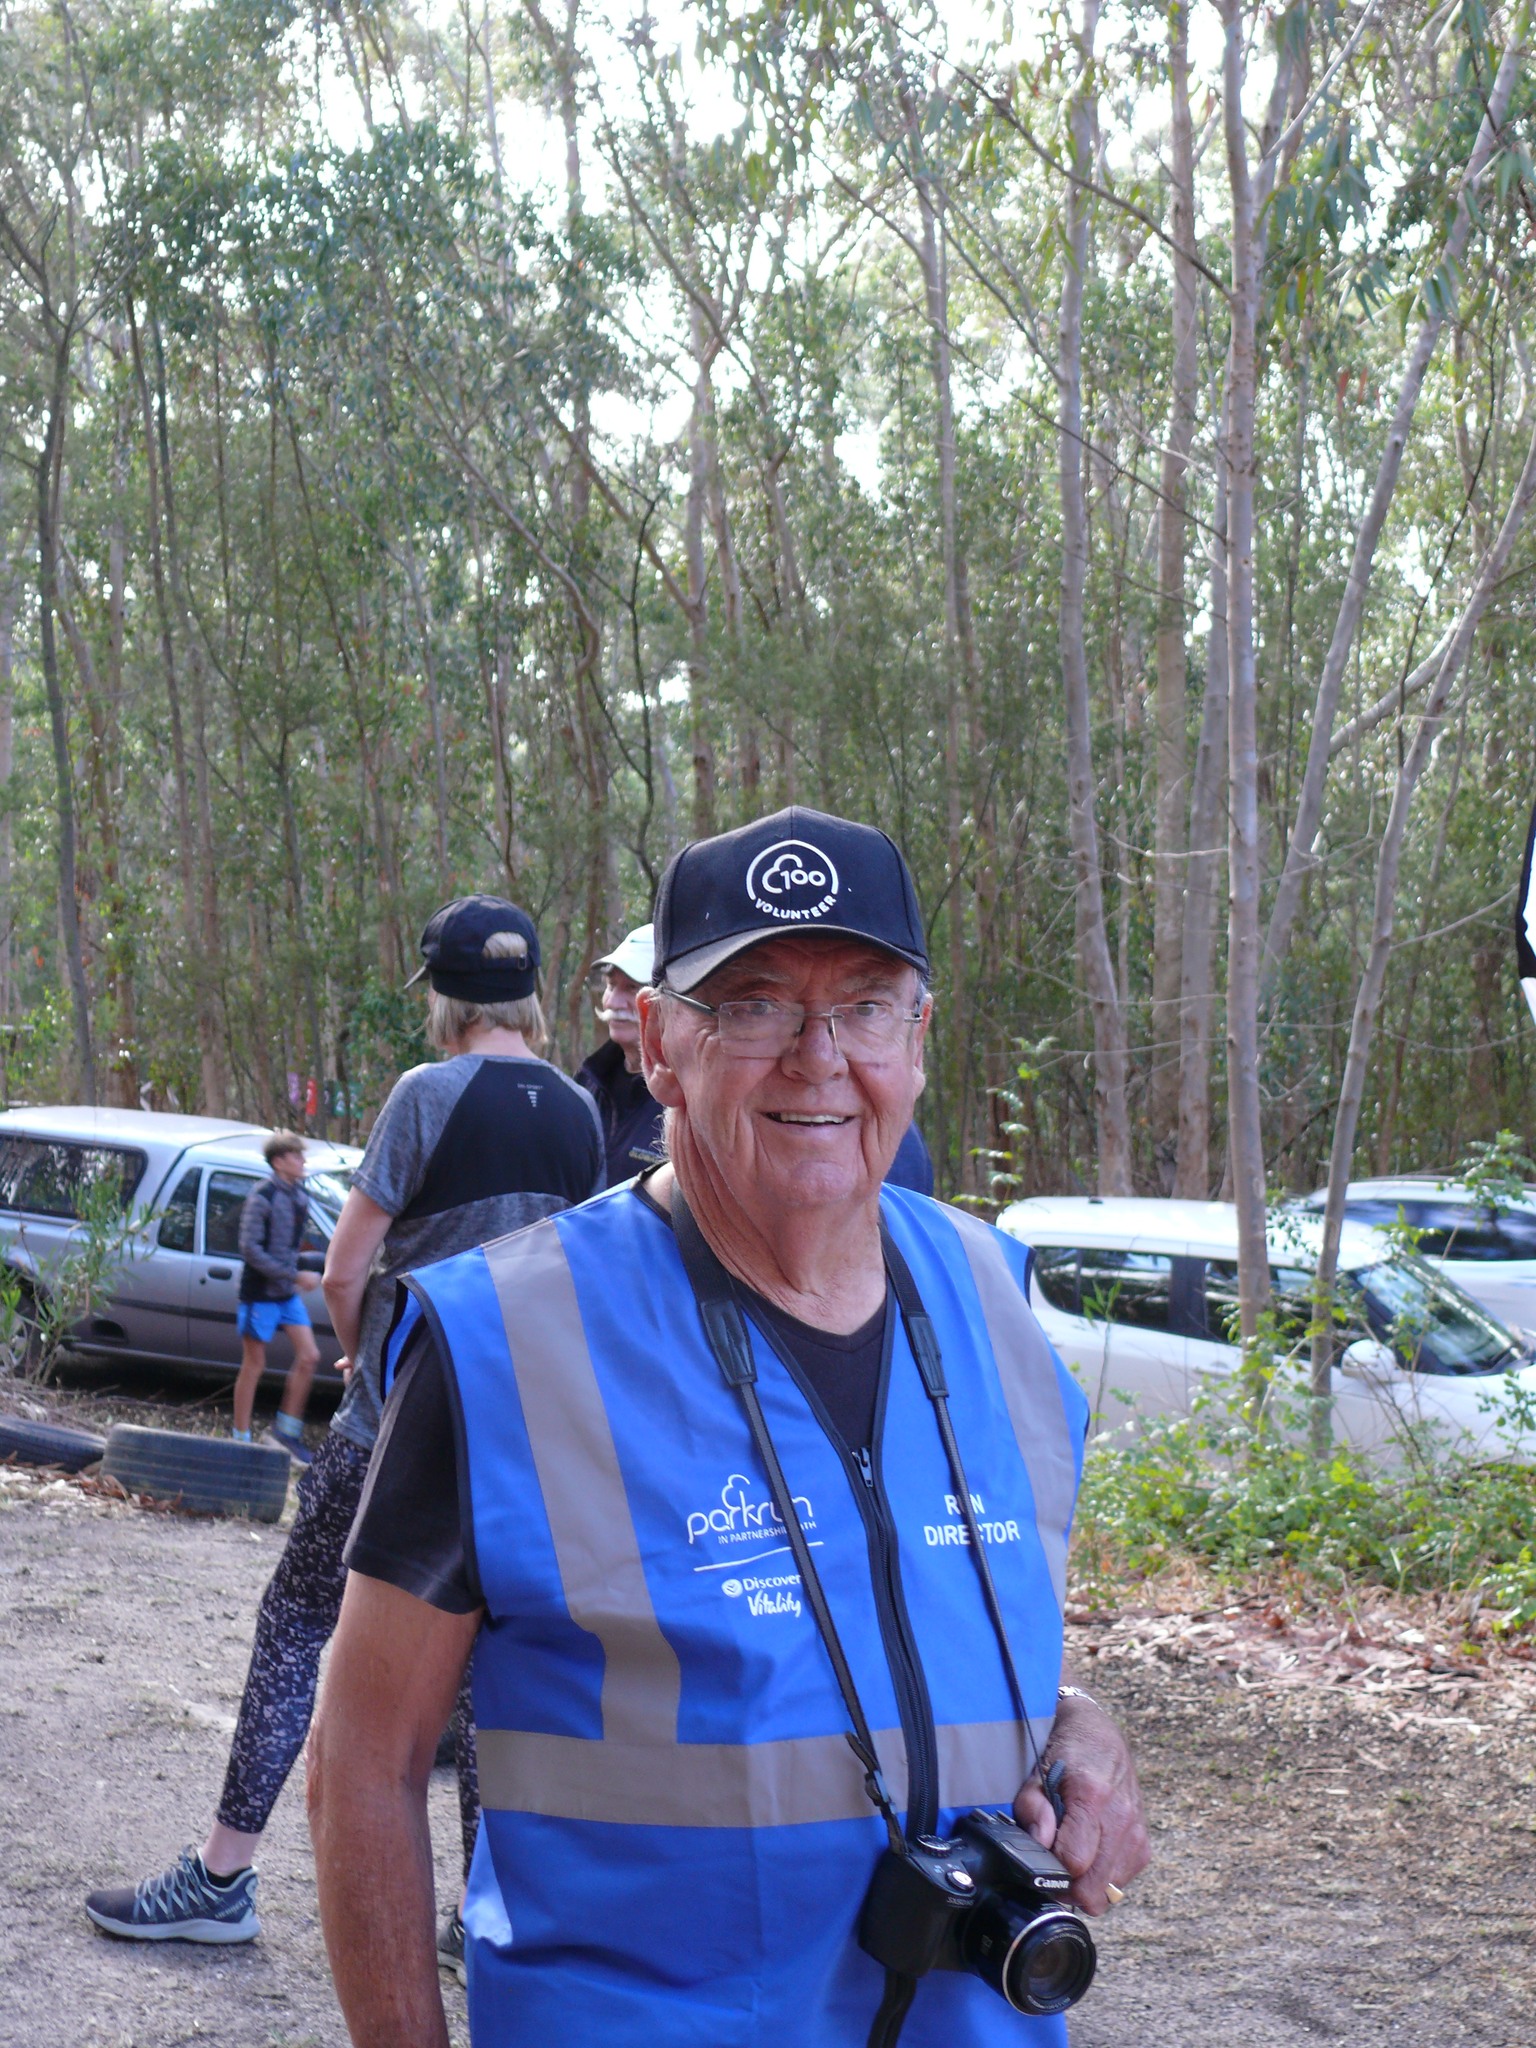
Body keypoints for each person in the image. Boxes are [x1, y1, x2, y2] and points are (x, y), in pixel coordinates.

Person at [308, 808, 1150, 2048]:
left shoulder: (994, 1300)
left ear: (920, 1037)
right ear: (656, 1041)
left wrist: (1079, 1720)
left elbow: (926, 1627)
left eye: (866, 1004)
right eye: (752, 1003)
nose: (818, 1056)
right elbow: (362, 1761)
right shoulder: (505, 1338)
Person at [83, 894, 603, 1959]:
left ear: (447, 998)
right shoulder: (581, 1110)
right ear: (532, 991)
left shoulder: (428, 1092)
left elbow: (346, 1262)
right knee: (490, 1670)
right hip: (524, 1450)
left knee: (294, 1625)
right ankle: (483, 1914)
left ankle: (223, 1876)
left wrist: (368, 1356)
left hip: (398, 1434)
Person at [231, 1130, 323, 1461]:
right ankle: (239, 1440)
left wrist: (301, 1272)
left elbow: (291, 1247)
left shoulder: (300, 1196)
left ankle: (286, 1432)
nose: (302, 1161)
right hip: (260, 1294)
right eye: (296, 1156)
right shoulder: (263, 1196)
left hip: (287, 1294)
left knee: (310, 1356)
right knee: (254, 1363)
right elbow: (250, 1249)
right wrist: (294, 1274)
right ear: (280, 1161)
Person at [575, 922, 666, 1186]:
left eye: (631, 988)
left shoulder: (682, 1097)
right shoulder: (588, 1082)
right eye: (611, 985)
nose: (614, 1002)